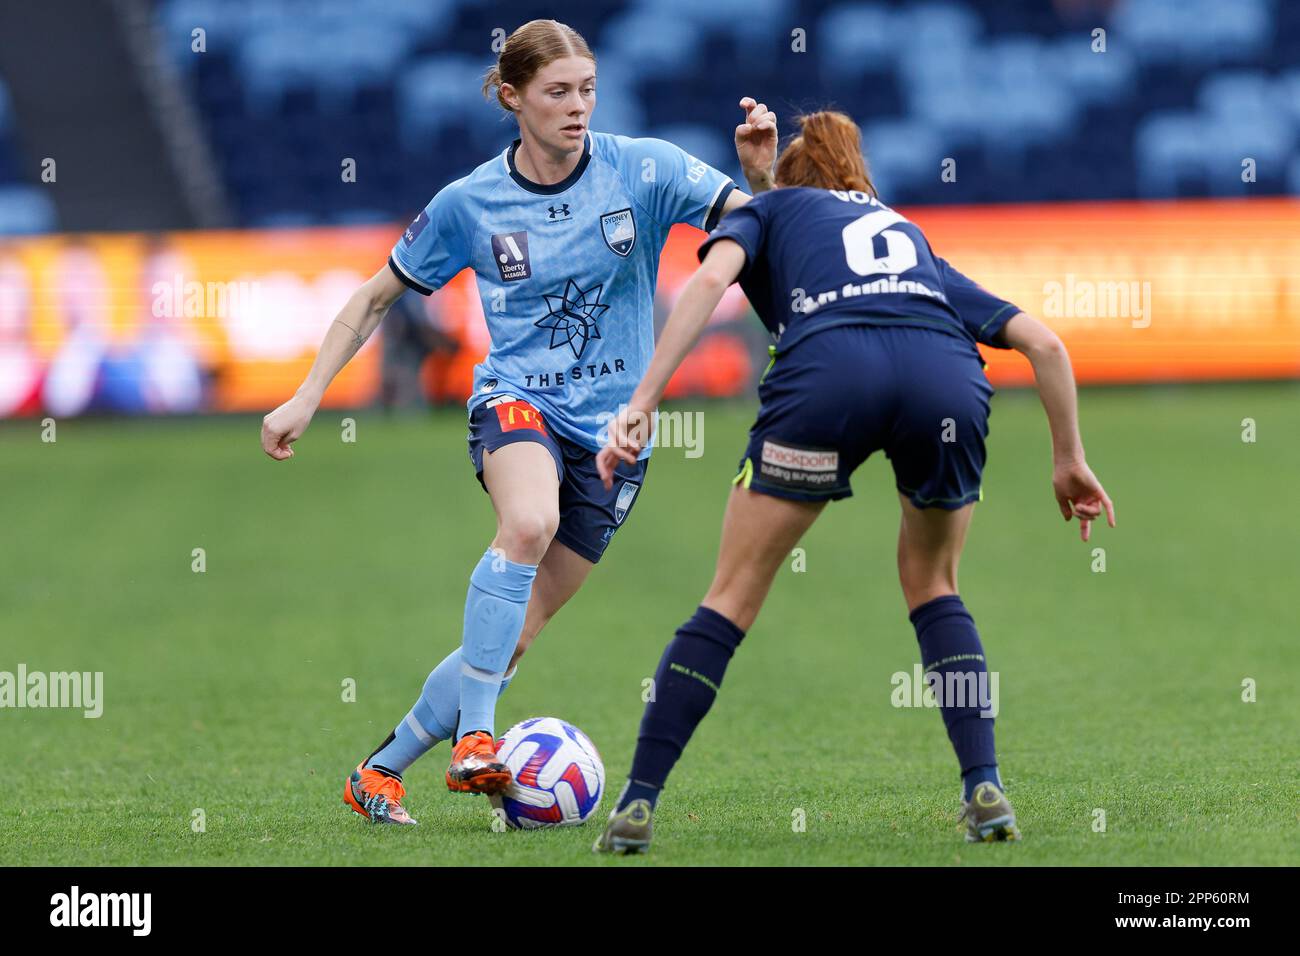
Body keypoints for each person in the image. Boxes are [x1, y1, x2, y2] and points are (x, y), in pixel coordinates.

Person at [259, 18, 780, 824]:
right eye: (556, 92)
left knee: (511, 640)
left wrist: (762, 172)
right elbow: (371, 300)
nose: (577, 107)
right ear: (512, 97)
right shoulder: (471, 203)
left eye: (587, 90)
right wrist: (307, 395)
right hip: (518, 402)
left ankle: (379, 770)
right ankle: (477, 742)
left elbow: (764, 232)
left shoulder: (644, 167)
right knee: (527, 523)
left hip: (616, 442)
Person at [592, 110, 1115, 853]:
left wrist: (644, 402)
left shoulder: (767, 209)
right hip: (942, 378)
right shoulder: (907, 236)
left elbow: (715, 276)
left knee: (732, 594)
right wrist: (1067, 459)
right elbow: (1046, 344)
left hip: (830, 375)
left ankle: (638, 801)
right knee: (935, 584)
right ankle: (983, 785)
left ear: (788, 183)